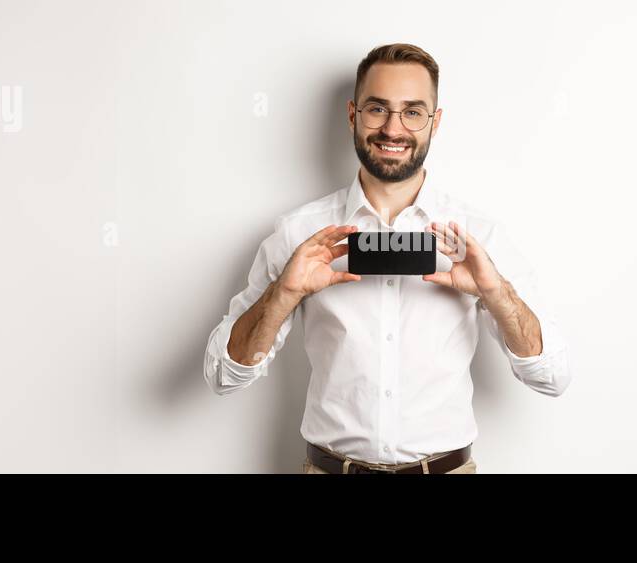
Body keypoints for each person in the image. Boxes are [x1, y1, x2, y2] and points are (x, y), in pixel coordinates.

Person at [204, 43, 572, 474]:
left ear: (435, 123)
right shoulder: (298, 232)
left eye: (413, 112)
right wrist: (282, 294)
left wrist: (495, 292)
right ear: (352, 116)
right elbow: (223, 377)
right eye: (377, 108)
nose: (393, 129)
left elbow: (552, 378)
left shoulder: (479, 236)